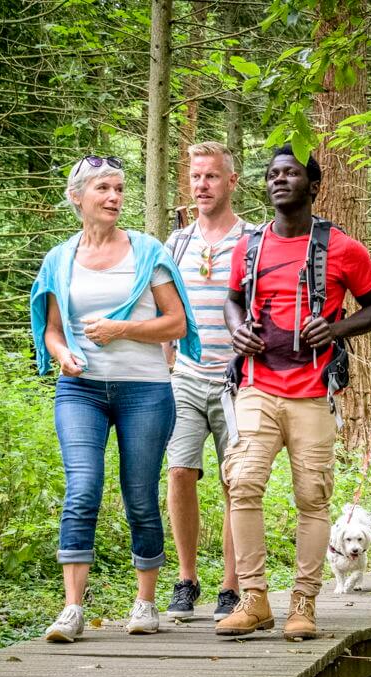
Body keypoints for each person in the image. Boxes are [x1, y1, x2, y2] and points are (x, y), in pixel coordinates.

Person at [215, 145, 371, 640]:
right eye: (272, 173)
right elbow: (233, 301)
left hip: (313, 392)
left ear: (313, 186)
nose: (278, 180)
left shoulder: (342, 248)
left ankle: (303, 602)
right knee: (243, 482)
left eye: (290, 173)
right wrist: (236, 330)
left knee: (312, 497)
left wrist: (336, 331)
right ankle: (254, 599)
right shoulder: (249, 246)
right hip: (255, 384)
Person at [29, 154, 199, 642]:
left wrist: (122, 327)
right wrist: (62, 355)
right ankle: (71, 610)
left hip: (145, 391)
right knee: (82, 488)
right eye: (103, 189)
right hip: (80, 389)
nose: (114, 198)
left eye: (120, 189)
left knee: (140, 496)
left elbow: (178, 324)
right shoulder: (60, 259)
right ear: (76, 197)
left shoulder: (147, 253)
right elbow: (54, 331)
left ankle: (145, 602)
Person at [161, 142, 254, 622]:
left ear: (231, 182)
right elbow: (163, 308)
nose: (202, 186)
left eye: (212, 177)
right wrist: (166, 365)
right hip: (186, 376)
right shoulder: (176, 243)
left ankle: (231, 586)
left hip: (238, 382)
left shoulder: (253, 239)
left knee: (235, 481)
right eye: (196, 177)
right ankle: (186, 580)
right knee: (179, 471)